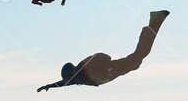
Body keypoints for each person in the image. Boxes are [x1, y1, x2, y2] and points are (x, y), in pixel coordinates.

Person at [37, 10, 169, 91]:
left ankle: (155, 21)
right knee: (139, 57)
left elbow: (63, 83)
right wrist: (48, 86)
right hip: (106, 70)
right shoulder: (76, 77)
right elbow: (62, 83)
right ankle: (154, 22)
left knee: (138, 57)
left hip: (104, 70)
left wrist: (49, 86)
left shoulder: (76, 75)